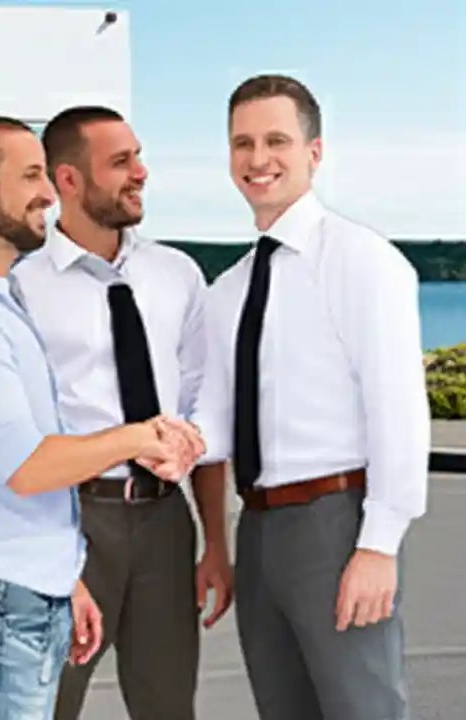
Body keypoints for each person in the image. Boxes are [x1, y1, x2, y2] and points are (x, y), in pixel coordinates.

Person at [0, 114, 205, 720]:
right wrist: (137, 437)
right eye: (31, 176)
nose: (46, 194)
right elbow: (23, 462)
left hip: (39, 571)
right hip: (4, 589)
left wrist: (63, 575)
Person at [191, 73, 430, 720]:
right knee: (283, 709)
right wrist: (154, 443)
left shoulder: (363, 261)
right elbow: (215, 417)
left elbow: (399, 410)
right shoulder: (229, 290)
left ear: (313, 153)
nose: (258, 159)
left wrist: (378, 544)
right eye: (243, 143)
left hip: (337, 520)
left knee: (363, 707)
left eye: (276, 140)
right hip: (260, 529)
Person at [10, 105, 233, 720]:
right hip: (67, 519)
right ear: (68, 181)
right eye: (120, 162)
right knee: (42, 705)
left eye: (137, 156)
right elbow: (11, 440)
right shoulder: (19, 287)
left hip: (165, 522)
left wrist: (214, 541)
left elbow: (200, 414)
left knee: (168, 708)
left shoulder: (177, 275)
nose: (142, 172)